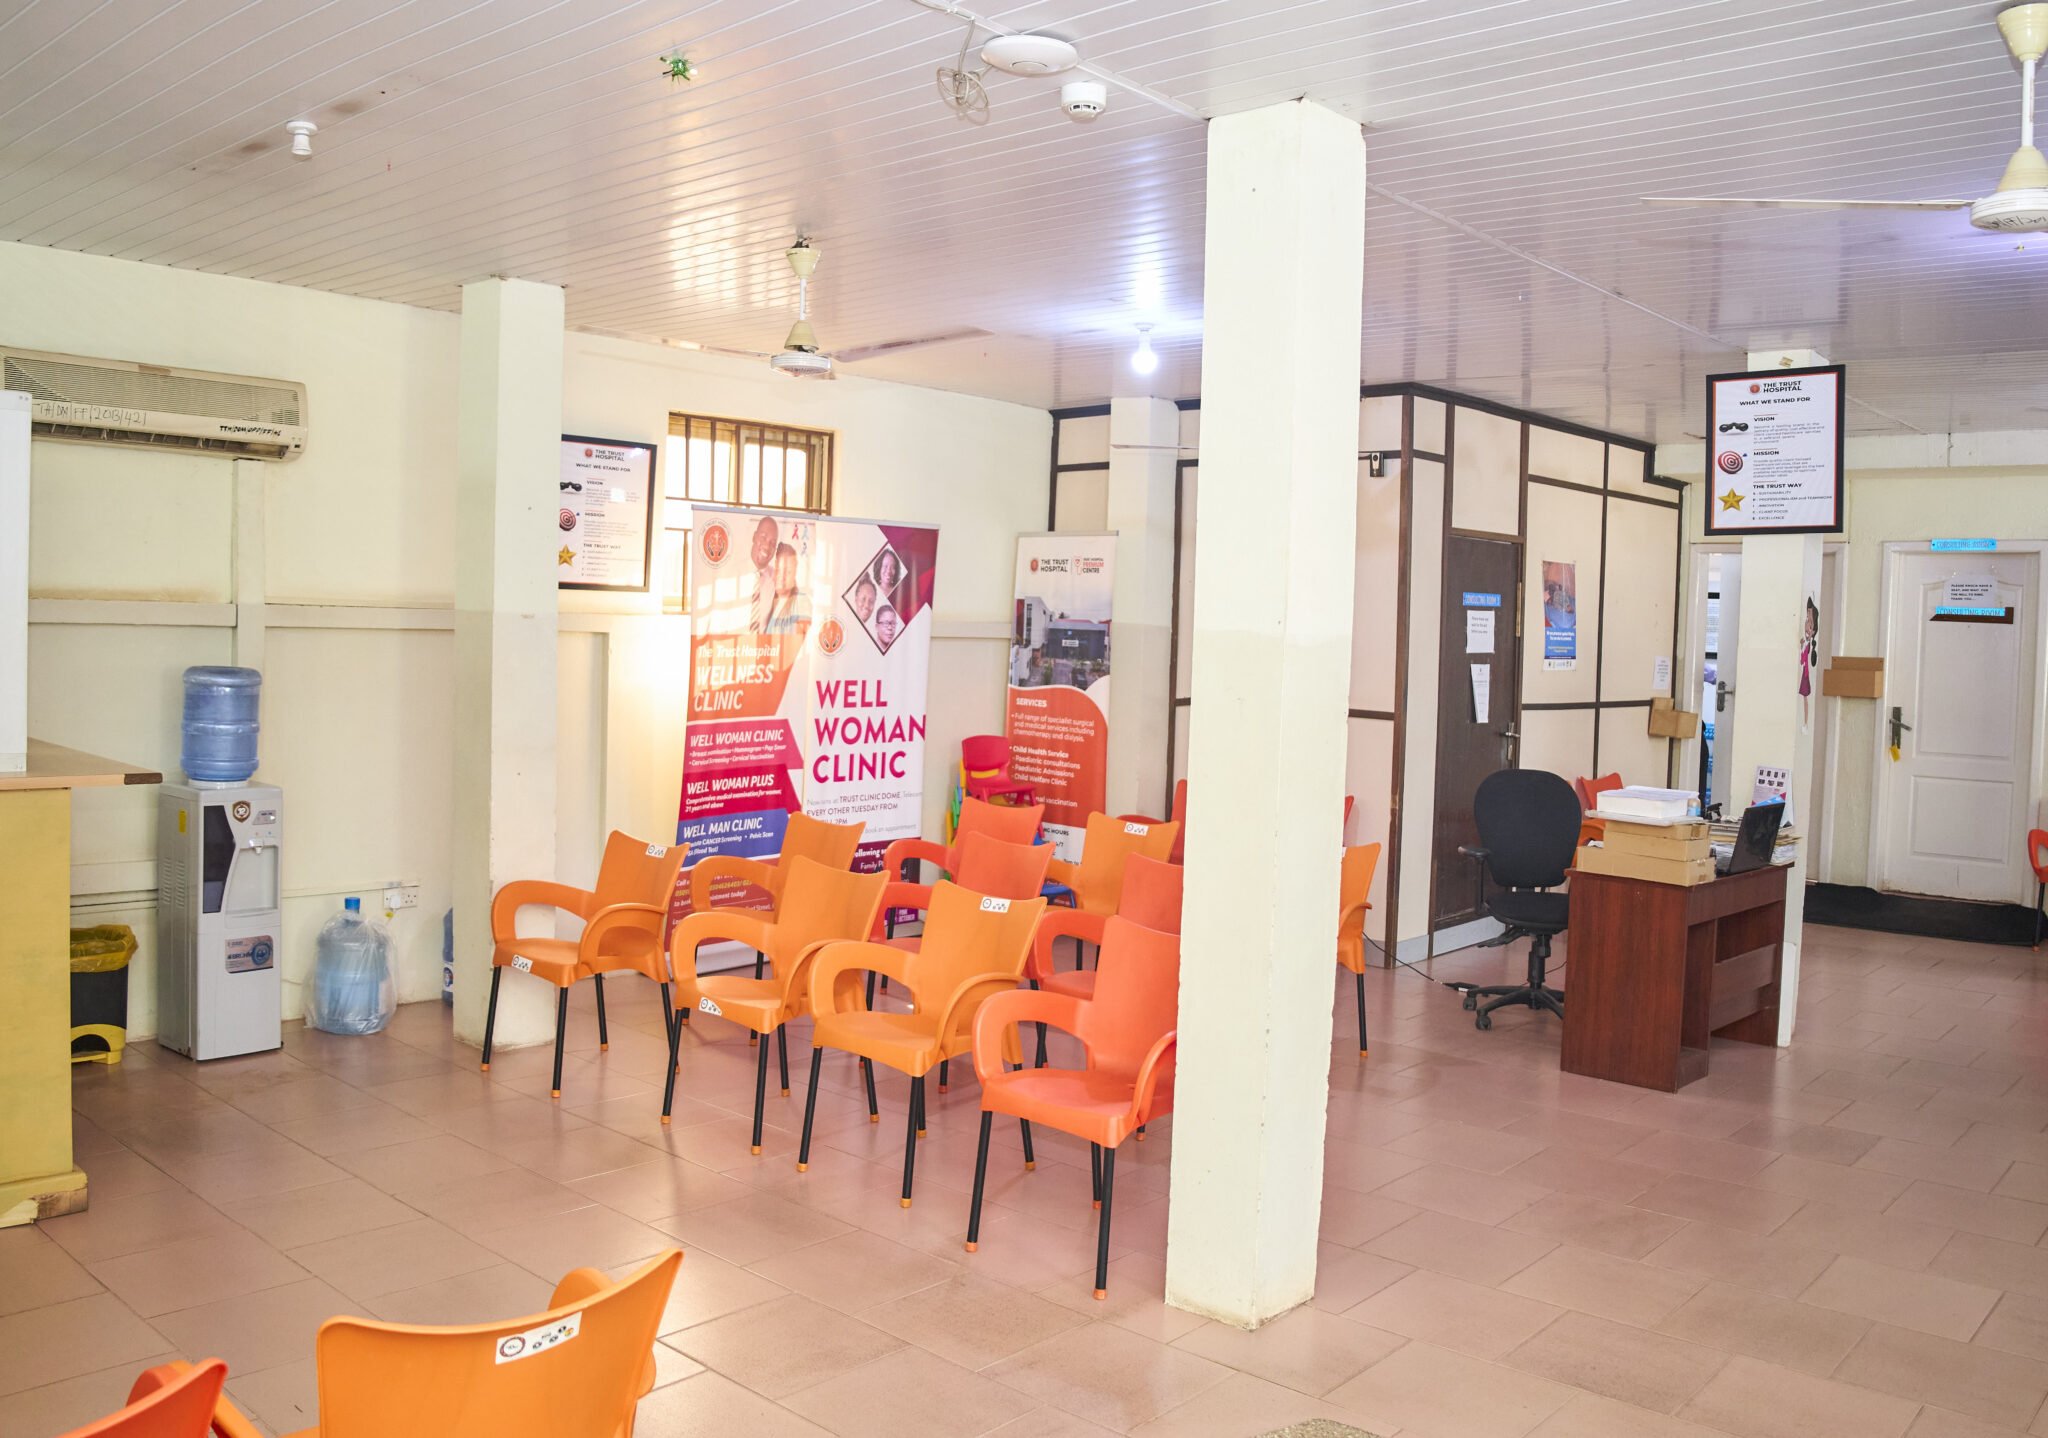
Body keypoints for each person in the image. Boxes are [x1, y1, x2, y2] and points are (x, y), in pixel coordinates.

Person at [762, 541, 812, 635]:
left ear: (795, 572)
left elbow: (803, 644)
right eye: (778, 570)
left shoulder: (802, 602)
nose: (782, 577)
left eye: (788, 572)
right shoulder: (770, 600)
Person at [747, 516, 780, 632]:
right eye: (763, 537)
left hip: (763, 648)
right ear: (754, 537)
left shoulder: (777, 581)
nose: (767, 546)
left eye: (773, 543)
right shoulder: (732, 575)